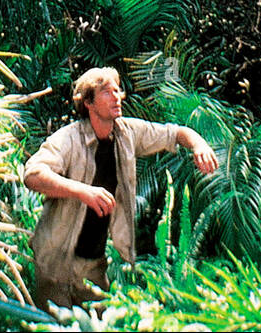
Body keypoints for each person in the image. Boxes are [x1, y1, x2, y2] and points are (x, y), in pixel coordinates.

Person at [23, 66, 218, 311]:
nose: (117, 96)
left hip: (93, 264)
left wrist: (198, 145)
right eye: (106, 92)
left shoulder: (127, 133)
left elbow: (176, 133)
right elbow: (33, 175)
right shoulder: (67, 139)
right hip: (54, 261)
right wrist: (82, 191)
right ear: (88, 103)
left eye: (117, 90)